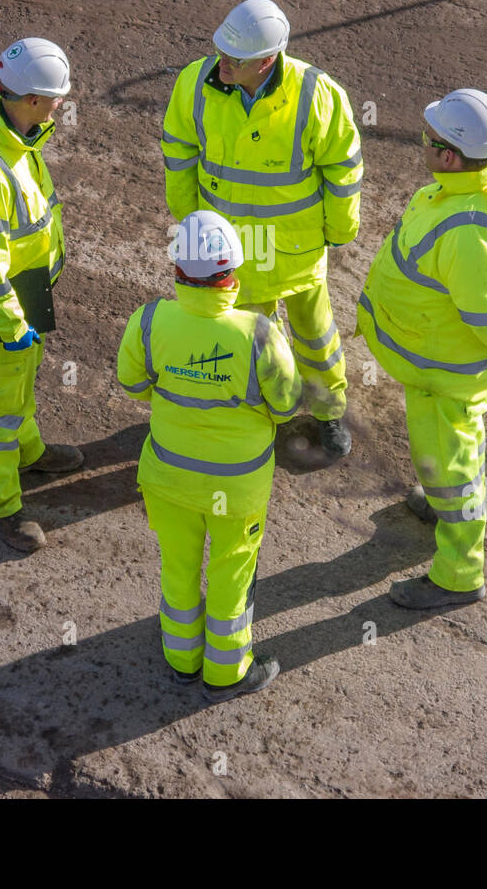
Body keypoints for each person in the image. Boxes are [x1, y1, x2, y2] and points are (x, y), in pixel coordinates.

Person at [355, 89, 487, 609]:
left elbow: (485, 317)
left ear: (449, 155)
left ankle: (458, 575)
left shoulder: (468, 227)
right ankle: (443, 505)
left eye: (430, 139)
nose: (422, 143)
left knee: (453, 466)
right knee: (443, 455)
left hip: (447, 374)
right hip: (437, 367)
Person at [160, 0, 362, 460]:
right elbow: (179, 147)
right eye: (221, 51)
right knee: (250, 336)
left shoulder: (317, 94)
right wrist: (191, 218)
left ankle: (329, 411)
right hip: (233, 246)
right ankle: (274, 409)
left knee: (316, 335)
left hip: (295, 248)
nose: (223, 64)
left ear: (268, 60)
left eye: (236, 58)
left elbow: (343, 167)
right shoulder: (195, 82)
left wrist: (341, 228)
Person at [117, 210, 302, 701]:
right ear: (234, 274)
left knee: (177, 566)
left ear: (177, 271)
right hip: (237, 489)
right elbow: (286, 405)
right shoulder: (259, 333)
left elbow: (133, 383)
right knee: (230, 574)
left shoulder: (150, 320)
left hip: (168, 478)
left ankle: (181, 659)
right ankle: (225, 673)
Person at [0, 38, 84, 554]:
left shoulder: (19, 137)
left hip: (25, 293)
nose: (60, 105)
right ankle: (1, 506)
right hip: (1, 307)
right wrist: (10, 325)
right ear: (29, 98)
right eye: (55, 97)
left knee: (22, 383)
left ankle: (28, 454)